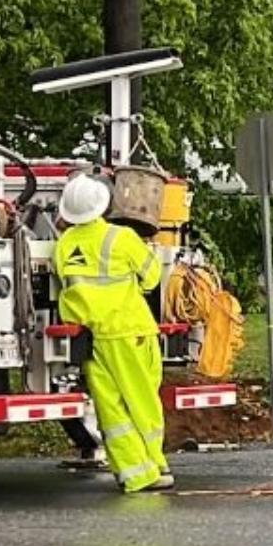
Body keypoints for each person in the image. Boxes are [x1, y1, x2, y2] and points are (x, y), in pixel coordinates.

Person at [53, 174, 170, 493]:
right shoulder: (122, 237)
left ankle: (135, 473)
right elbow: (152, 275)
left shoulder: (63, 246)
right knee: (141, 400)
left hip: (91, 338)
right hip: (130, 331)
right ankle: (155, 464)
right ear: (103, 205)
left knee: (110, 409)